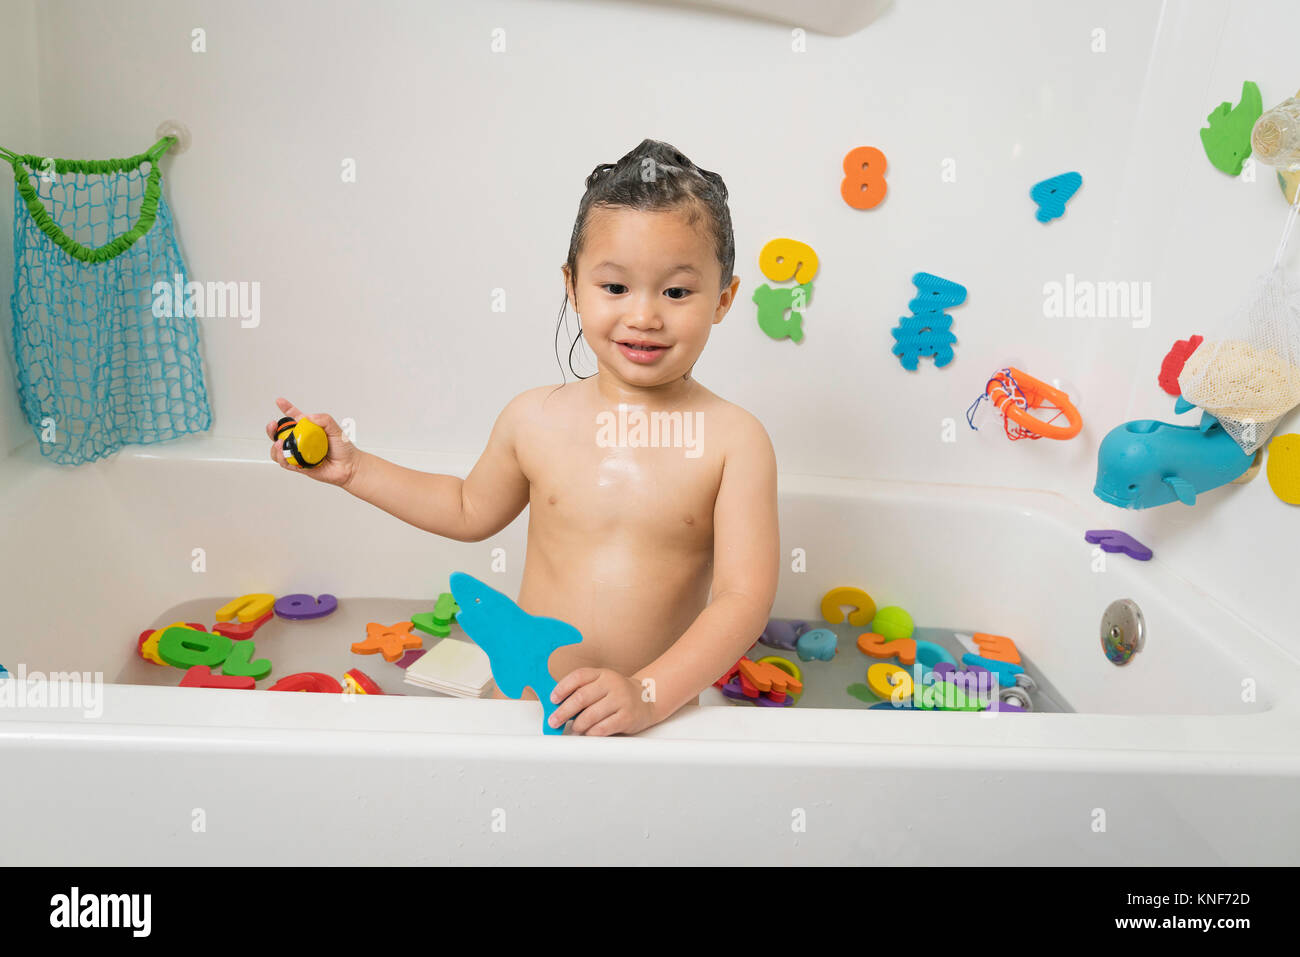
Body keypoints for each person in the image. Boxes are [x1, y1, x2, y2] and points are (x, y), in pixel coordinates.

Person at [268, 139, 779, 734]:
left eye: (676, 292)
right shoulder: (534, 418)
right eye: (615, 288)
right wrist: (355, 469)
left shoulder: (733, 442)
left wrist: (646, 694)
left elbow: (742, 600)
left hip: (655, 723)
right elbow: (465, 509)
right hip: (522, 708)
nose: (644, 316)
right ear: (573, 285)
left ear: (722, 299)